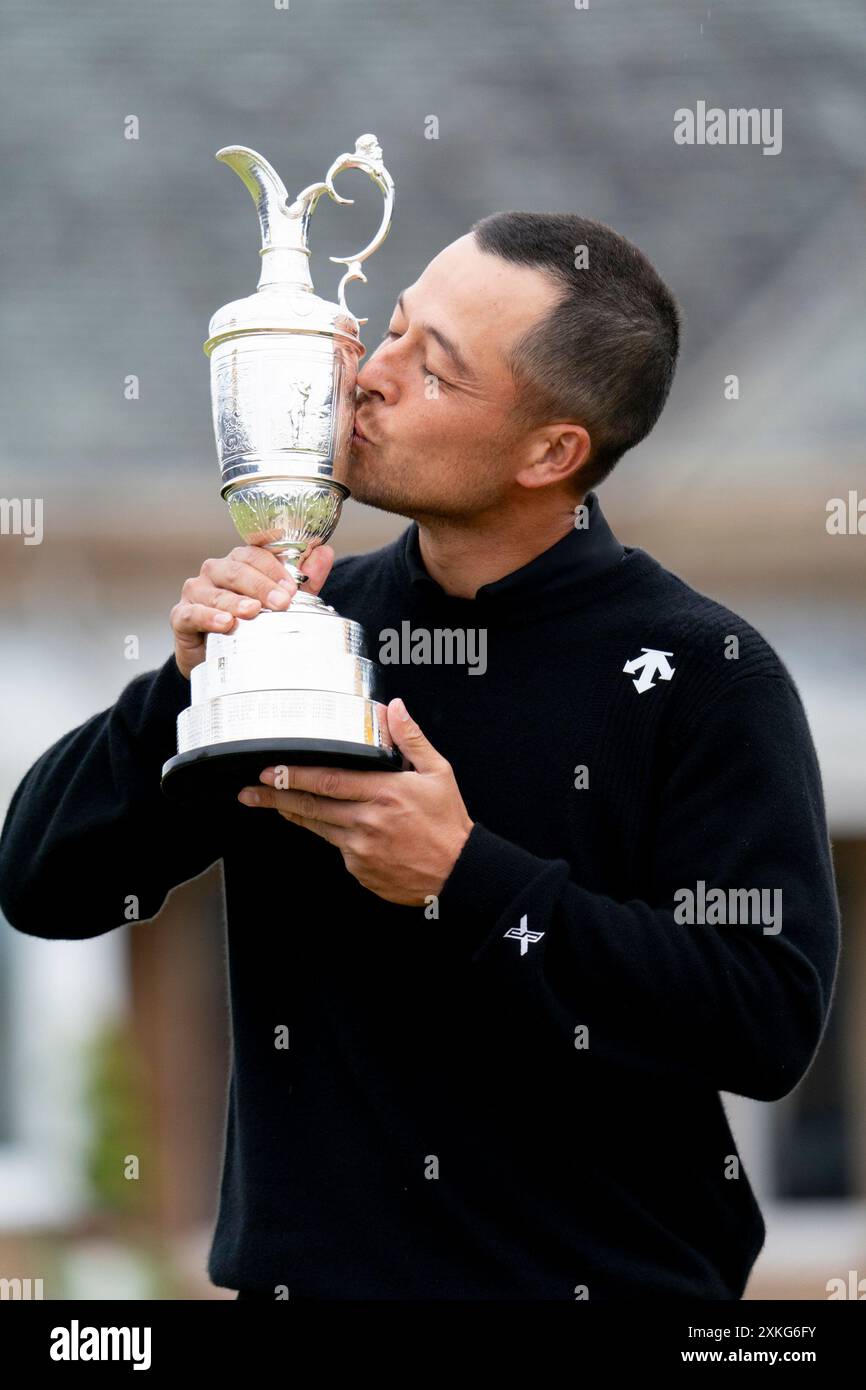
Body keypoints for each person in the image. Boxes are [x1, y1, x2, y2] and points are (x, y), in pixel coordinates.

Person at [0, 213, 840, 1301]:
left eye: (431, 367)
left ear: (552, 452)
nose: (368, 377)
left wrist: (466, 878)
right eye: (390, 330)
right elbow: (43, 882)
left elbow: (764, 1024)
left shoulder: (701, 674)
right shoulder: (311, 627)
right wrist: (187, 686)